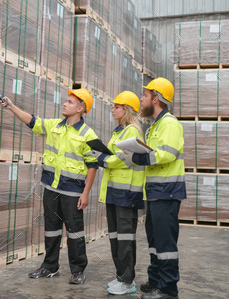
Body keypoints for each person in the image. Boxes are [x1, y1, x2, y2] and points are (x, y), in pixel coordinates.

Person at [0, 88, 99, 285]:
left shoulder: (89, 134)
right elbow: (32, 121)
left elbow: (93, 165)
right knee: (51, 229)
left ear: (80, 108)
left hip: (72, 191)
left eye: (70, 102)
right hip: (52, 188)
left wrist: (86, 193)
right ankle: (49, 266)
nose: (65, 104)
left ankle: (78, 270)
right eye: (66, 101)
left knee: (75, 232)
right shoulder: (55, 125)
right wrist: (11, 107)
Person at [86, 91, 146, 295]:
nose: (112, 109)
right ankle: (121, 276)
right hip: (114, 192)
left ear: (126, 109)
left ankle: (128, 280)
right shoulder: (119, 131)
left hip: (127, 194)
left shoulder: (132, 132)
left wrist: (101, 159)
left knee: (125, 238)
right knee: (115, 237)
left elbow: (122, 158)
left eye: (116, 106)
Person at [132, 78, 186, 299]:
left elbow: (167, 153)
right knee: (155, 242)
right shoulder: (154, 124)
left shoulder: (170, 123)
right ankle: (155, 280)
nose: (141, 100)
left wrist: (141, 157)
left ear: (155, 98)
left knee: (165, 242)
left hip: (167, 191)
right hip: (155, 192)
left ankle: (168, 289)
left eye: (144, 96)